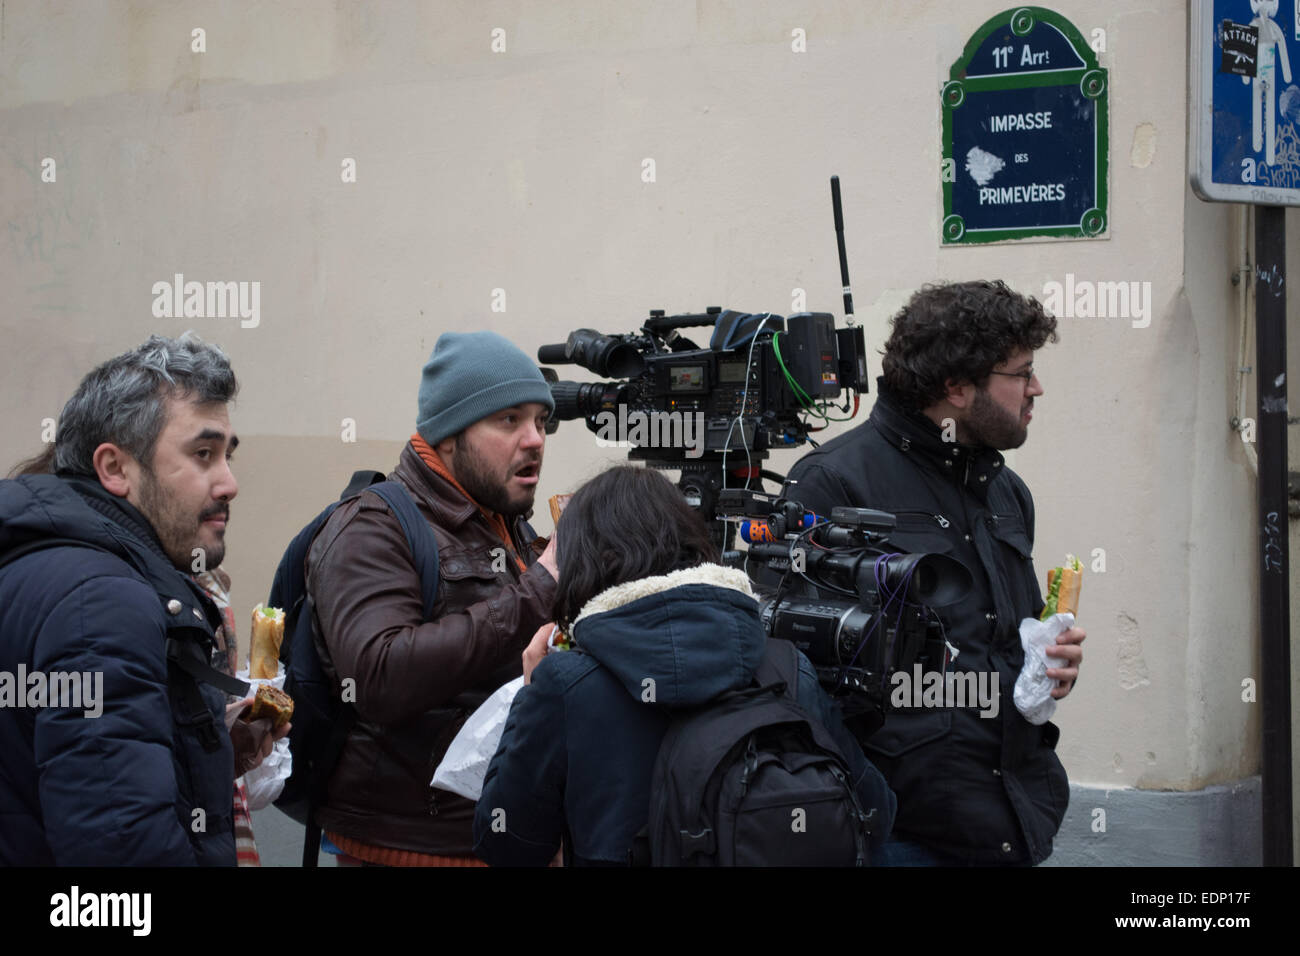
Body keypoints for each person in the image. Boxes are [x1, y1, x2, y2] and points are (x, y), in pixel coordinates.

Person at [779, 279, 1085, 866]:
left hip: (1009, 818)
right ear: (956, 386)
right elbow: (799, 679)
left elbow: (999, 641)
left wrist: (1047, 665)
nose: (1036, 389)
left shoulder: (1004, 491)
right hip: (897, 834)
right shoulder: (833, 483)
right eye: (1020, 373)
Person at [472, 465, 896, 866]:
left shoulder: (565, 686)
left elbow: (506, 844)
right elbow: (876, 812)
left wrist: (529, 695)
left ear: (584, 565)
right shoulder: (785, 666)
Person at [0, 332, 283, 865]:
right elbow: (121, 855)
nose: (229, 483)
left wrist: (205, 746)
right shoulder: (100, 605)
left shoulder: (49, 565)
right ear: (115, 469)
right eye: (203, 454)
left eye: (227, 455)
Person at [305, 330, 559, 866]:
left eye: (541, 420)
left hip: (507, 835)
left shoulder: (505, 522)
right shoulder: (372, 526)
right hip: (412, 847)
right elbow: (377, 675)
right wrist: (542, 587)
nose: (535, 438)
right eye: (509, 419)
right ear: (447, 437)